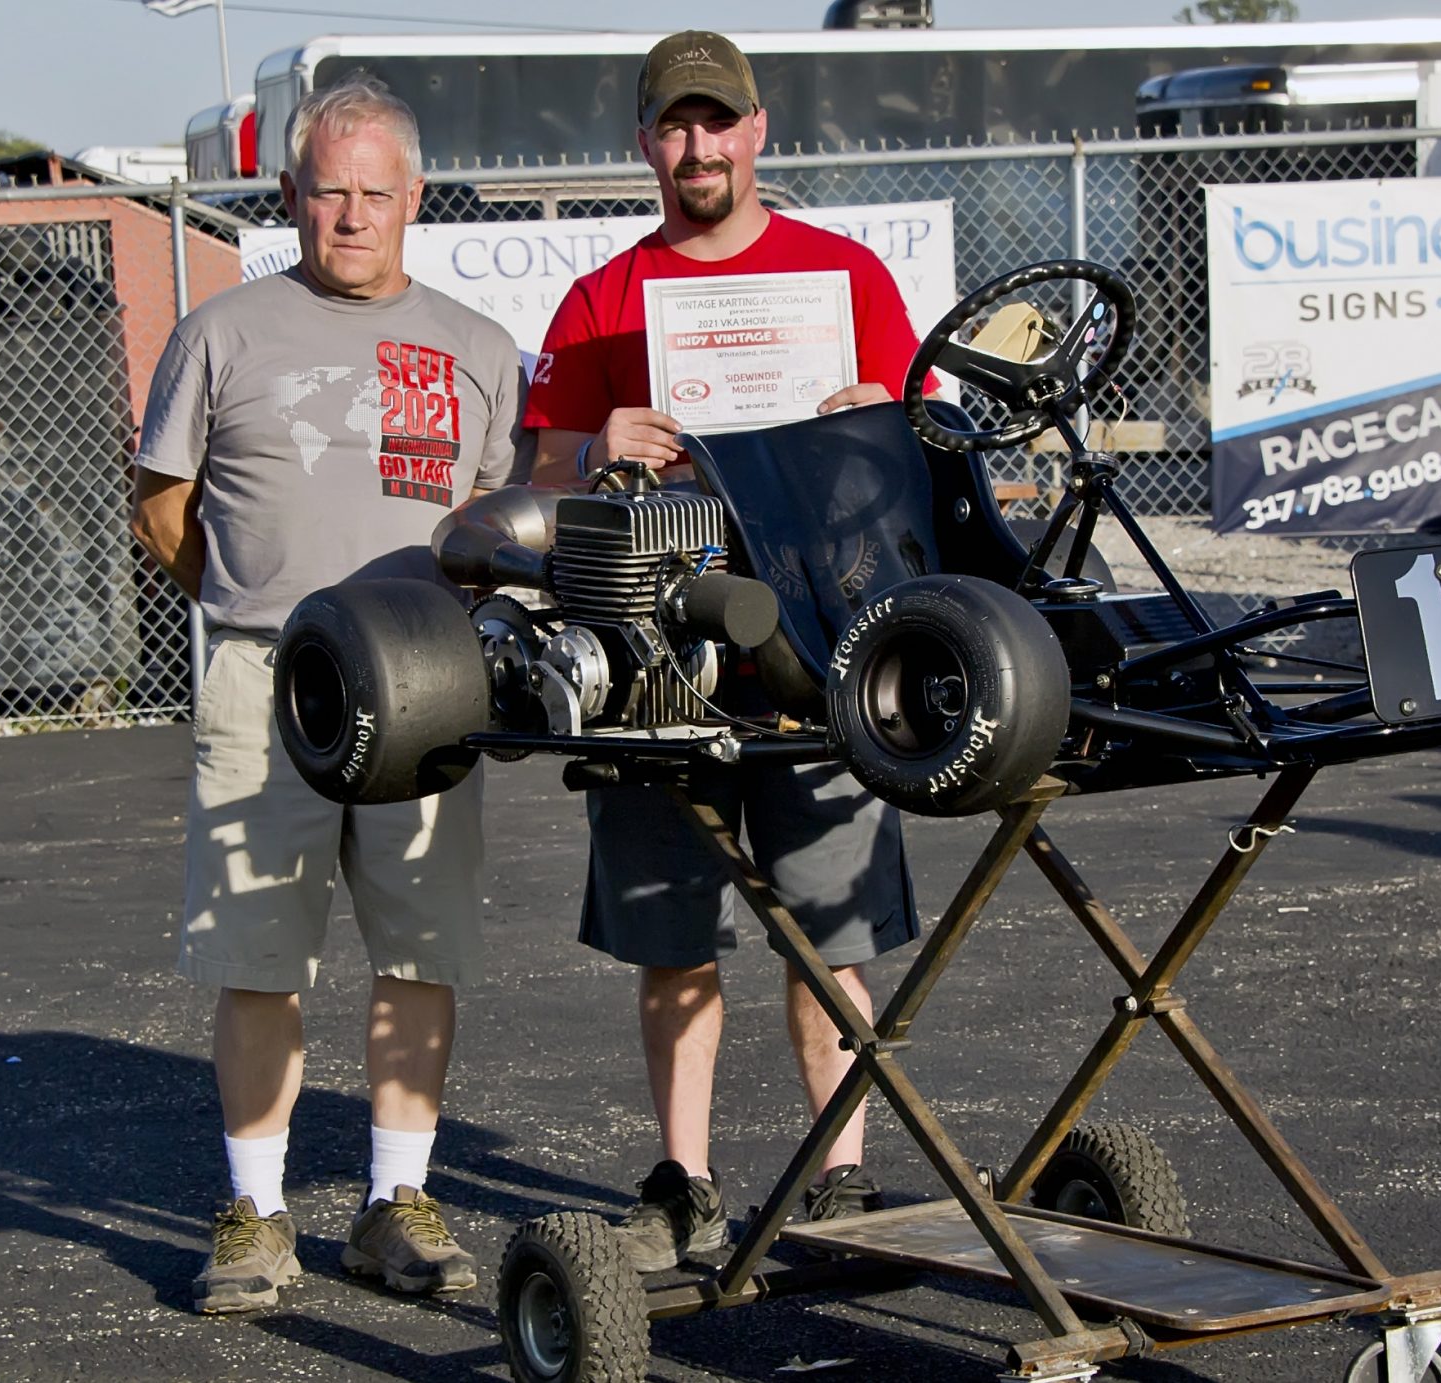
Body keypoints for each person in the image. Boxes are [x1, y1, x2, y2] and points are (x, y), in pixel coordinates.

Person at [523, 29, 925, 1273]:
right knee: (673, 941)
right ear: (645, 142)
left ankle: (842, 1177)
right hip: (656, 663)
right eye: (672, 126)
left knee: (830, 938)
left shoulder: (843, 278)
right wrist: (595, 451)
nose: (696, 148)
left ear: (759, 130)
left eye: (718, 122)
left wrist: (884, 422)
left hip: (814, 649)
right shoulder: (600, 306)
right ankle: (684, 1181)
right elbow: (538, 484)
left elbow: (926, 465)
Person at [130, 73, 526, 1313]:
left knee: (419, 952)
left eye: (374, 192)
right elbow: (164, 504)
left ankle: (394, 1204)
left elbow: (500, 519)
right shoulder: (224, 332)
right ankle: (255, 1215)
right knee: (261, 960)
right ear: (291, 197)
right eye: (326, 192)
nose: (350, 215)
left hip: (428, 682)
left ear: (413, 197)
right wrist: (266, 608)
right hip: (270, 681)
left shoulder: (478, 347)